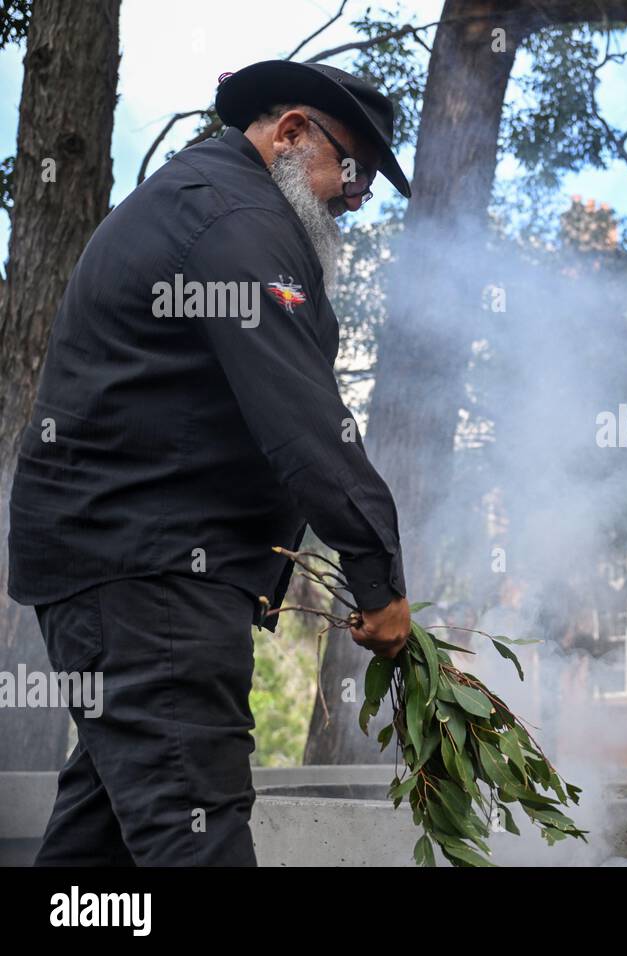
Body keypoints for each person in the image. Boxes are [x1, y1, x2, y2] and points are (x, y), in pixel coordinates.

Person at [7, 61, 415, 866]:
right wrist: (378, 575)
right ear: (292, 131)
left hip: (126, 573)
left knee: (106, 843)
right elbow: (302, 418)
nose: (357, 197)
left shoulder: (216, 207)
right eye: (354, 168)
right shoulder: (234, 220)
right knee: (198, 832)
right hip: (148, 576)